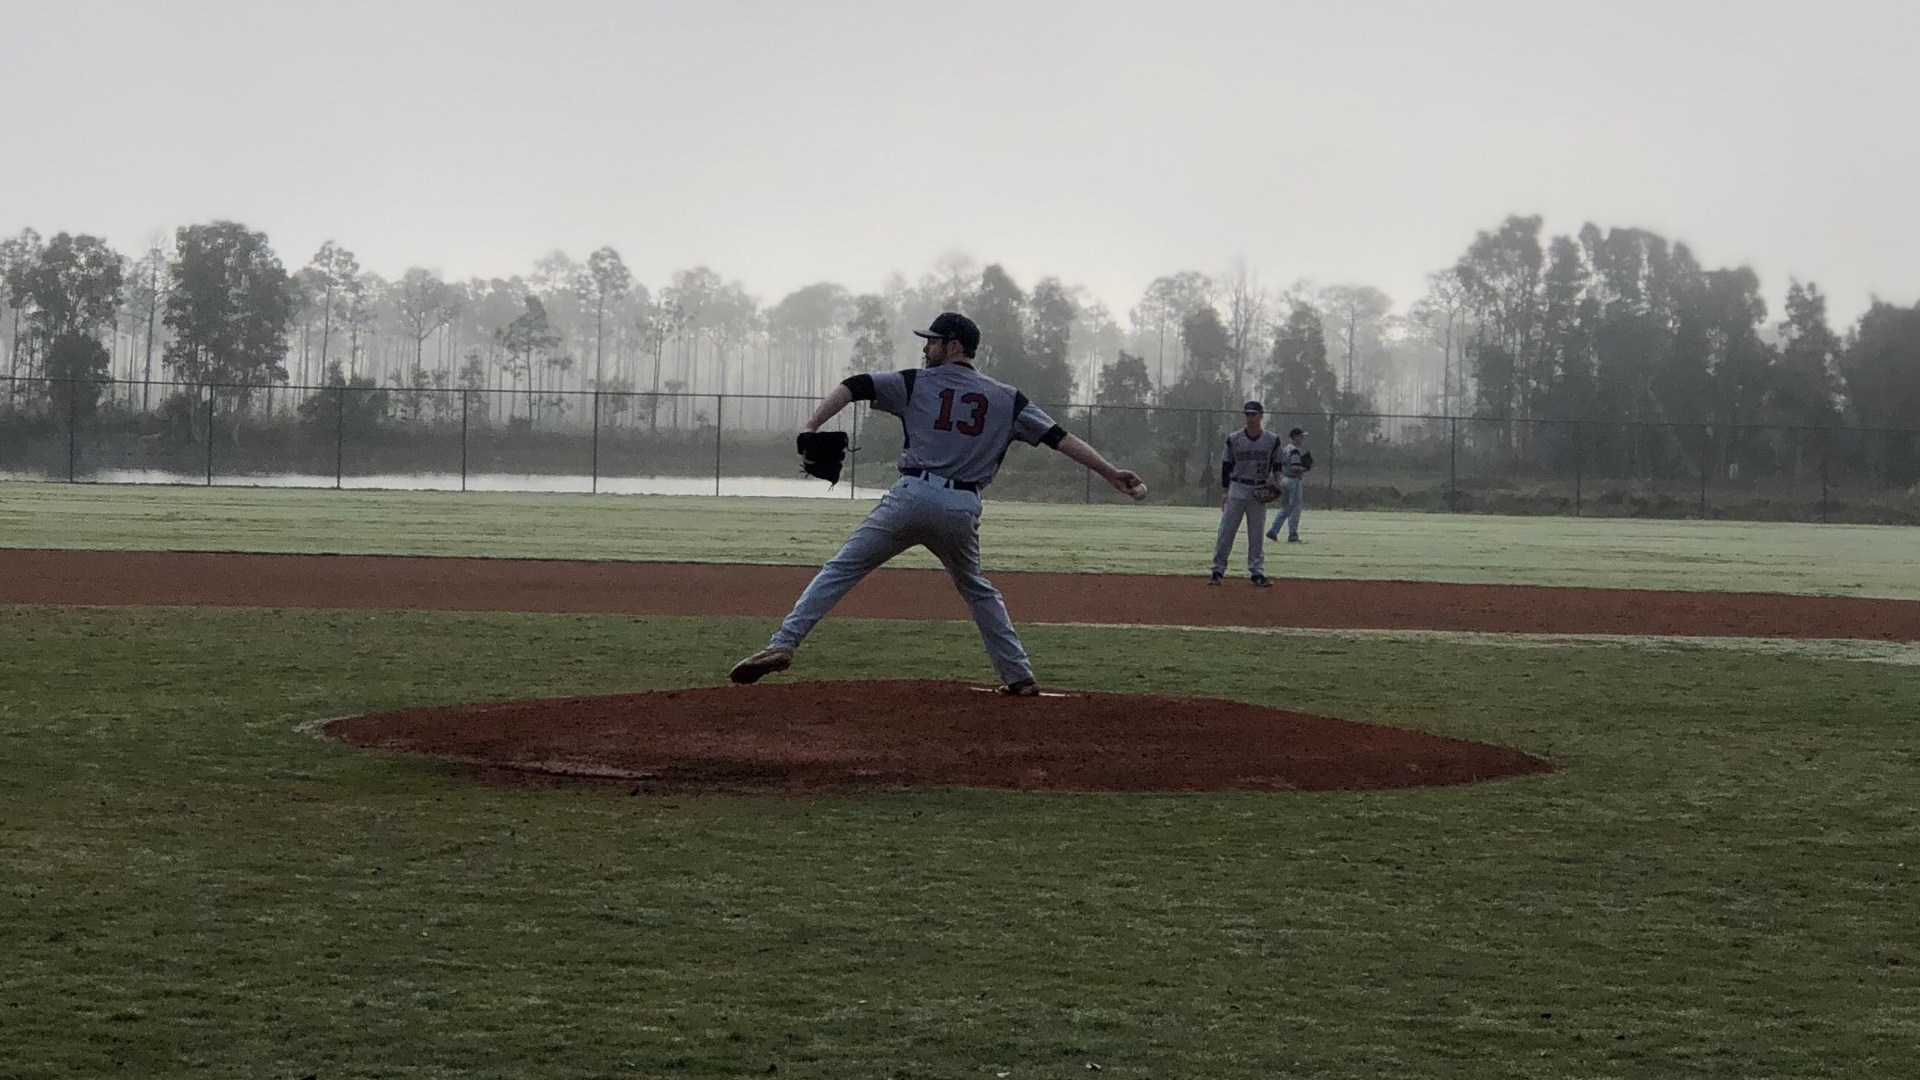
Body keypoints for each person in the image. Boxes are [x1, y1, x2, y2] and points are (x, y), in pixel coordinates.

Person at [728, 312, 1147, 696]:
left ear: (954, 346)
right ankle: (1018, 676)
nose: (926, 349)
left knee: (841, 569)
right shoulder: (1008, 398)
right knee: (978, 590)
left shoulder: (915, 382)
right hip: (962, 508)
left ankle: (783, 644)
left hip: (911, 496)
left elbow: (854, 385)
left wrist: (811, 424)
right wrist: (1111, 473)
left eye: (933, 341)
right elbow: (1061, 439)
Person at [1209, 401, 1285, 587]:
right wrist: (1225, 491)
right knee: (1226, 531)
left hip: (1259, 489)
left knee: (1256, 533)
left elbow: (1277, 465)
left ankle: (1257, 573)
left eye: (1253, 414)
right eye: (1247, 414)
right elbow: (1226, 465)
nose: (1250, 418)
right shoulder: (1234, 439)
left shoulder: (1272, 439)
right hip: (1237, 486)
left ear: (1261, 416)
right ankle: (1218, 570)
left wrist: (1277, 482)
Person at [1265, 427, 1310, 544]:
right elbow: (1295, 466)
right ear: (1295, 437)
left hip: (1284, 479)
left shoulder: (1287, 448)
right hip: (1293, 480)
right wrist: (1304, 468)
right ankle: (1293, 535)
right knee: (1295, 508)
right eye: (1301, 436)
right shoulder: (1294, 450)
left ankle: (1273, 531)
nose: (1302, 438)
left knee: (1285, 508)